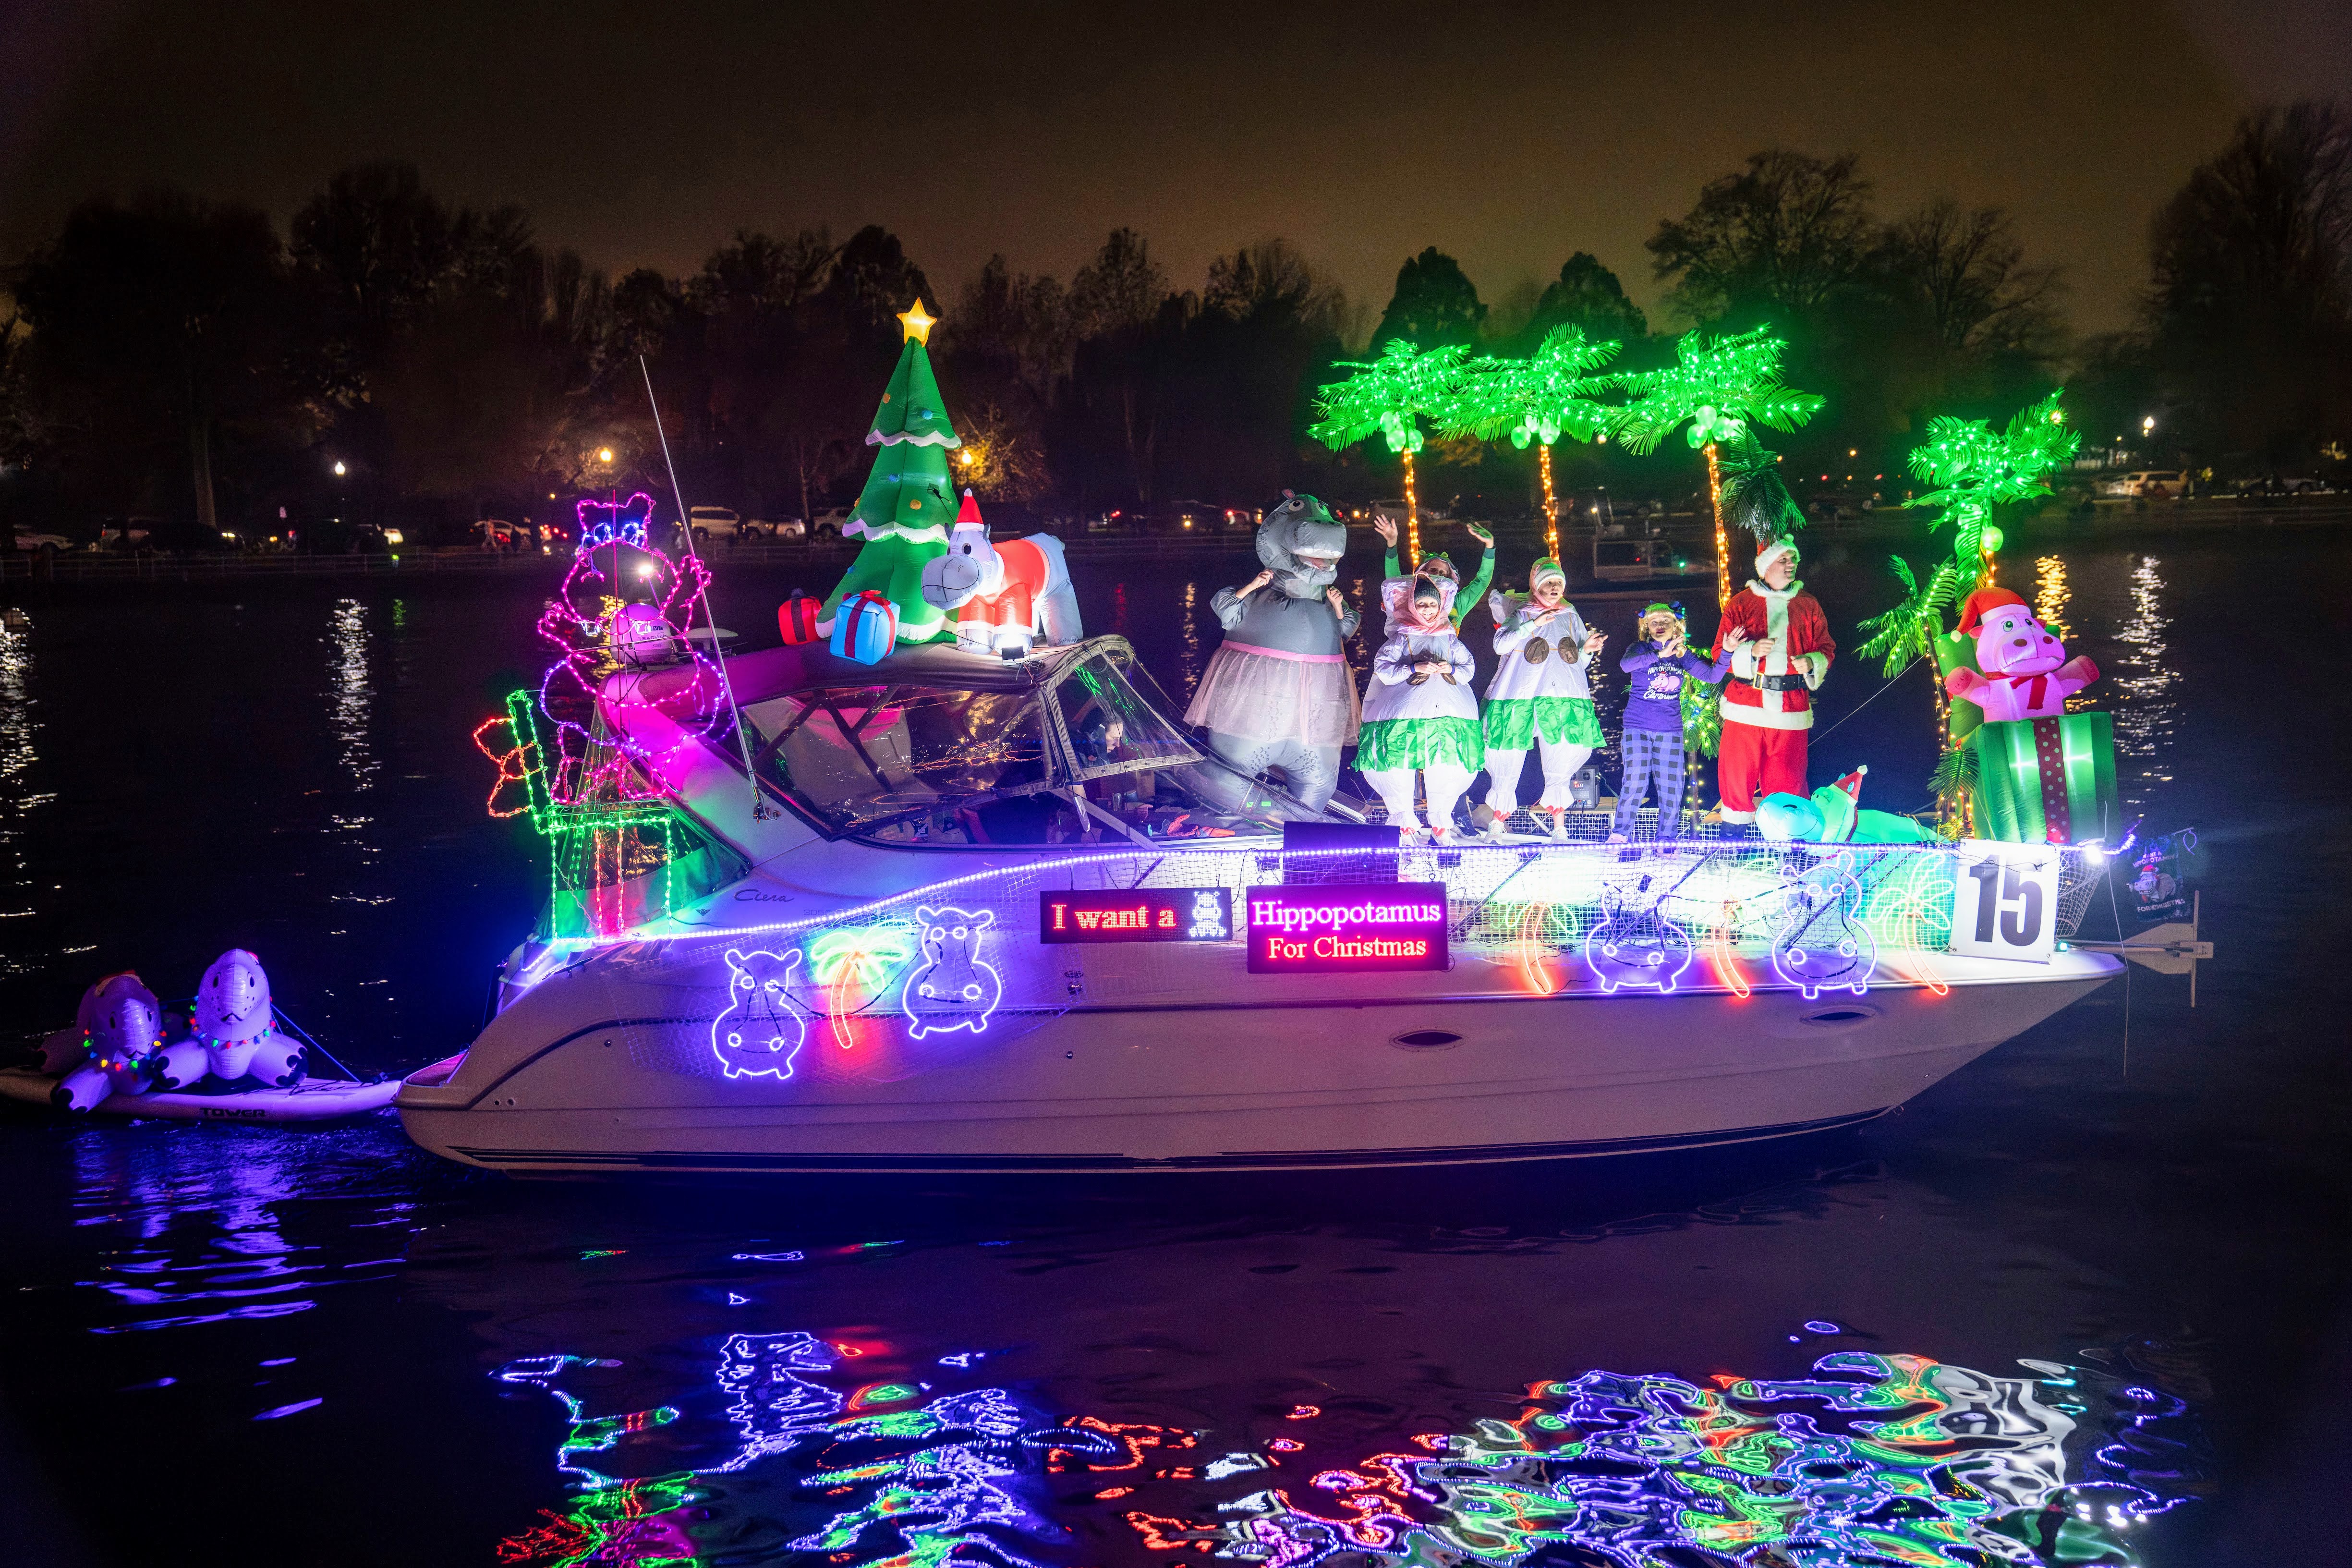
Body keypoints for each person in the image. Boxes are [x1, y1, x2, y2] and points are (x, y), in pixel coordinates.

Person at [1710, 537, 1835, 826]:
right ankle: (1734, 844)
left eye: (1794, 560)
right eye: (1785, 560)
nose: (1792, 565)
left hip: (1791, 708)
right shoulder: (1741, 604)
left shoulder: (1808, 604)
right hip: (1746, 704)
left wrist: (1813, 661)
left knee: (1788, 782)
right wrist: (1750, 652)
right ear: (1767, 566)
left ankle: (1788, 851)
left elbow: (1827, 649)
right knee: (1738, 777)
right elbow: (1720, 654)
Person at [1479, 559, 1605, 840]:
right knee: (1507, 752)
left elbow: (1577, 662)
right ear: (1536, 585)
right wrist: (1532, 624)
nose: (1554, 588)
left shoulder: (1570, 615)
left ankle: (1560, 828)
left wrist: (1589, 649)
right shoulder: (1522, 613)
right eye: (1548, 583)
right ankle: (1496, 825)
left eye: (1558, 583)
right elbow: (1500, 644)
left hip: (1561, 694)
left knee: (1560, 753)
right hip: (1521, 692)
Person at [1358, 574, 1481, 844]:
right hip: (1402, 716)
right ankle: (1403, 827)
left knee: (1447, 766)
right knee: (1396, 765)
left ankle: (1441, 827)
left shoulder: (1450, 640)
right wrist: (1414, 668)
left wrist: (1451, 669)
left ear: (1441, 608)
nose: (1427, 609)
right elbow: (1384, 669)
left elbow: (1468, 668)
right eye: (1422, 604)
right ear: (1413, 606)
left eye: (1432, 605)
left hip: (1448, 716)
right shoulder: (1403, 638)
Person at [1611, 601, 1731, 844]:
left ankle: (1666, 840)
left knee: (1672, 788)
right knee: (1635, 782)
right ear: (1647, 627)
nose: (1660, 626)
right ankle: (1620, 836)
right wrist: (1658, 655)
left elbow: (1712, 675)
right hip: (1638, 727)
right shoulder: (1639, 649)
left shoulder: (1682, 655)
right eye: (1654, 622)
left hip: (1670, 730)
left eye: (1665, 621)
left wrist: (1727, 652)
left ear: (1675, 625)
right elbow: (1626, 666)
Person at [1370, 514, 1494, 631]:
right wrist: (1392, 543)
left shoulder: (1458, 604)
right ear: (1423, 574)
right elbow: (1394, 582)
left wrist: (1490, 546)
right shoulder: (1411, 597)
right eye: (1433, 571)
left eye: (1443, 573)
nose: (1438, 575)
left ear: (1451, 578)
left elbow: (1482, 581)